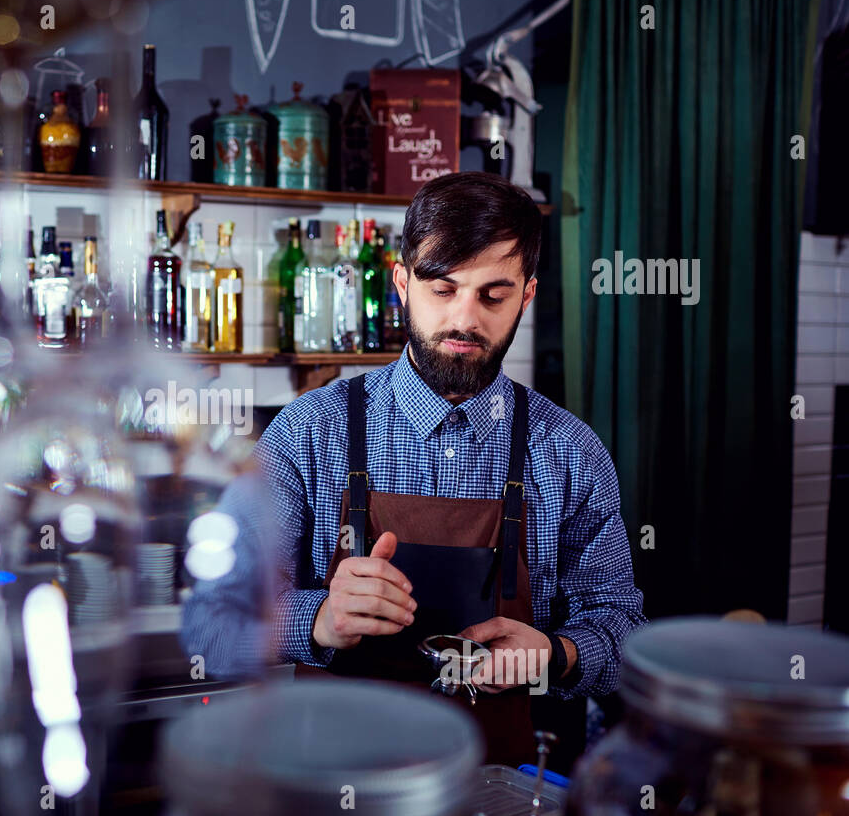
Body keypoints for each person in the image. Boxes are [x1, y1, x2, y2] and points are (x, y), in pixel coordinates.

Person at [255, 171, 646, 772]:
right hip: (332, 784)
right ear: (402, 283)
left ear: (528, 294)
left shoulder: (571, 451)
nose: (466, 320)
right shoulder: (309, 431)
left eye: (494, 294)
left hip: (496, 786)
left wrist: (556, 652)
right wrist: (320, 620)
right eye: (444, 288)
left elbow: (623, 634)